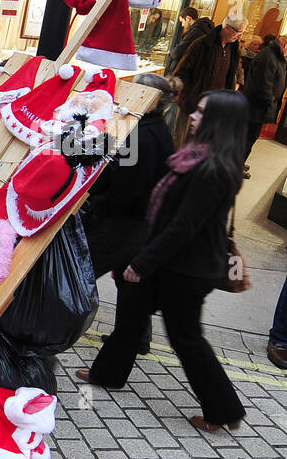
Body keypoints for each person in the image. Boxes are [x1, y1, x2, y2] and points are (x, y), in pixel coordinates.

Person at [79, 89, 247, 434]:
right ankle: (108, 373)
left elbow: (183, 227)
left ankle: (224, 409)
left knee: (185, 337)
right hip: (171, 259)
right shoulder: (198, 155)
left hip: (188, 268)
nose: (194, 116)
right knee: (132, 312)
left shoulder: (212, 169)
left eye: (201, 112)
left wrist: (141, 263)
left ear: (218, 121)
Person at [81, 71, 175, 354]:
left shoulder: (141, 134)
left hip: (122, 223)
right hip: (138, 221)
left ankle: (60, 319)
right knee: (129, 282)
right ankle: (137, 336)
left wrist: (93, 204)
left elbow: (126, 187)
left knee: (81, 270)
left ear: (146, 99)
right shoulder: (153, 127)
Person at [173, 12, 244, 147]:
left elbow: (236, 70)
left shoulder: (234, 49)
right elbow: (181, 73)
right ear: (227, 27)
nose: (240, 36)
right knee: (183, 143)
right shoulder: (202, 44)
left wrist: (237, 83)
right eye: (238, 32)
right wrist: (188, 97)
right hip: (193, 105)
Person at [241, 32, 285, 168]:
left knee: (251, 138)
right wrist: (271, 104)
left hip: (260, 108)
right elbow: (264, 85)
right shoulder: (268, 56)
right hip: (256, 107)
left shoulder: (276, 56)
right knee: (246, 138)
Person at [165, 6, 203, 74]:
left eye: (182, 21)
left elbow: (179, 51)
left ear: (188, 18)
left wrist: (172, 52)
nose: (182, 25)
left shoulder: (196, 31)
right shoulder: (202, 29)